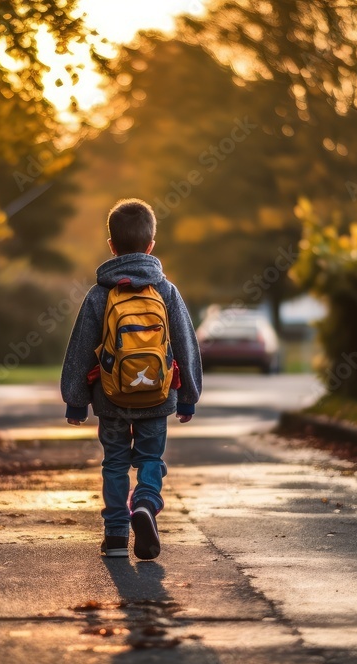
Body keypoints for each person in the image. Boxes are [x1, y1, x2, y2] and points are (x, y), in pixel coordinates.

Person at [61, 198, 202, 560]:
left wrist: (75, 399)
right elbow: (185, 342)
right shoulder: (166, 291)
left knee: (115, 462)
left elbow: (80, 348)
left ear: (112, 245)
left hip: (110, 398)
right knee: (150, 457)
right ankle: (145, 503)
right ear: (151, 244)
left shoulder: (100, 293)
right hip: (157, 397)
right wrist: (189, 395)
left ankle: (115, 537)